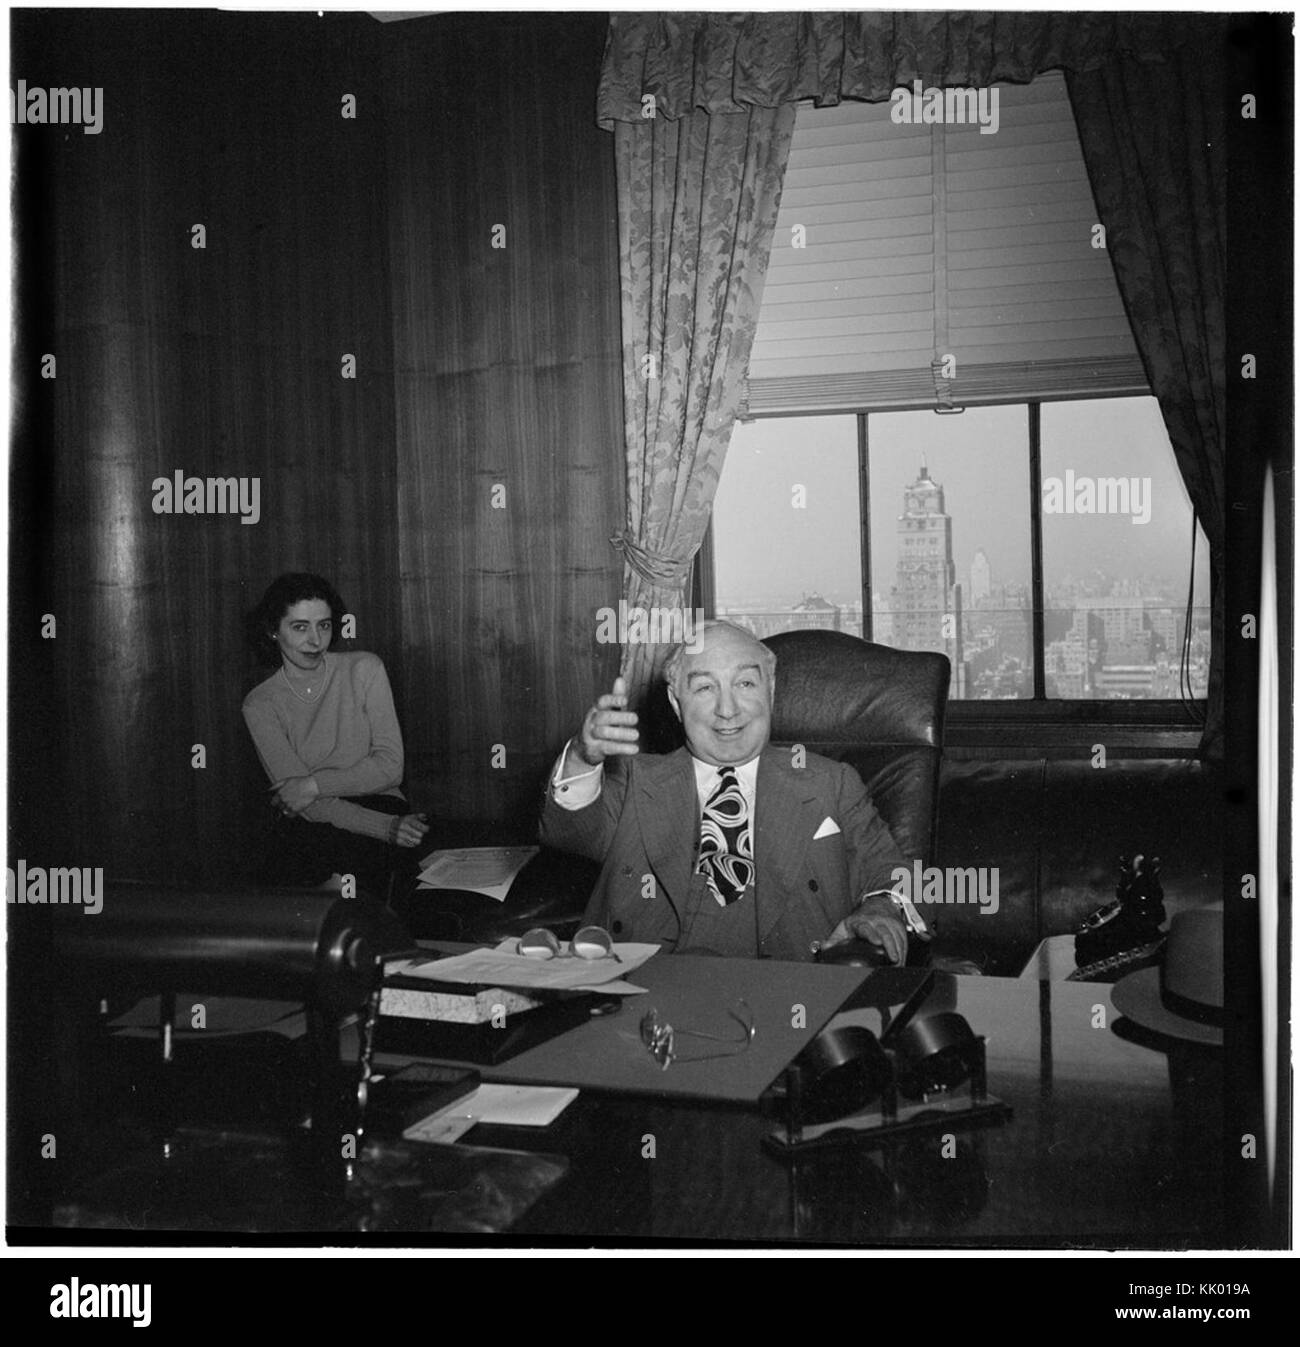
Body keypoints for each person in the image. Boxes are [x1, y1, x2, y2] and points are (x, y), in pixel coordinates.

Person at [540, 619, 911, 962]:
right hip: (645, 989)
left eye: (745, 684)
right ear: (676, 703)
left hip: (789, 994)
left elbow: (894, 874)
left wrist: (879, 909)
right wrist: (581, 757)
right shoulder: (635, 780)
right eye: (704, 688)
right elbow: (567, 833)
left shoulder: (831, 782)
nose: (727, 710)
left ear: (771, 689)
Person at [242, 573, 428, 896]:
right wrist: (385, 829)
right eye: (300, 627)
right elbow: (297, 802)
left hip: (379, 802)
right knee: (308, 855)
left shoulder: (365, 669)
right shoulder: (259, 703)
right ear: (273, 631)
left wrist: (312, 785)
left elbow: (389, 767)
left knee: (351, 874)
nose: (316, 640)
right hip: (315, 820)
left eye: (324, 626)